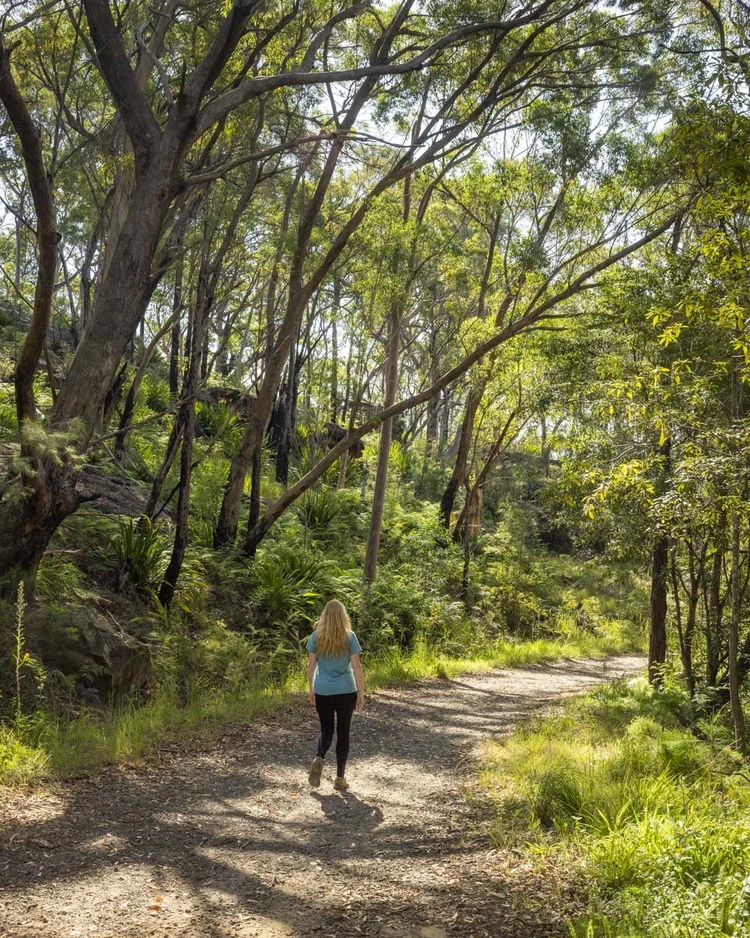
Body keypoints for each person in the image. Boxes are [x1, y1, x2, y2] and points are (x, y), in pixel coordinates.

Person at [306, 599, 364, 791]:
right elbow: (356, 666)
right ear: (342, 615)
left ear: (324, 615)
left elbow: (311, 665)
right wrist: (361, 692)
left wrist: (311, 688)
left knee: (326, 729)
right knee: (343, 733)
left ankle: (319, 757)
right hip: (346, 690)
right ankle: (340, 778)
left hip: (323, 690)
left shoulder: (316, 636)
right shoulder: (349, 636)